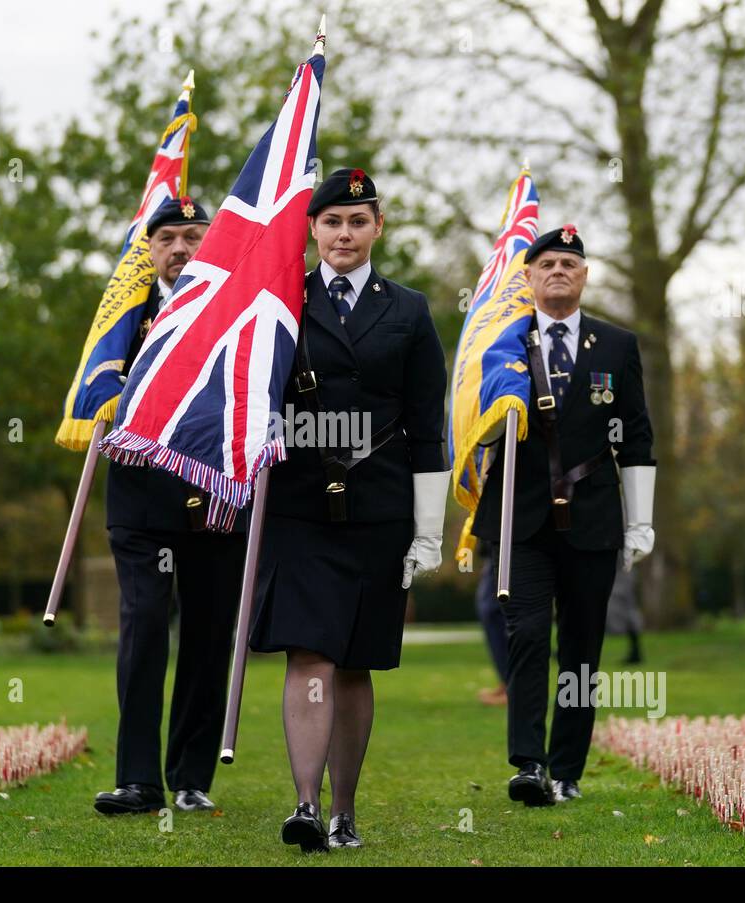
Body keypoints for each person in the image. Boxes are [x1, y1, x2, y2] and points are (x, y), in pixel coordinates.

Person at [247, 168, 450, 851]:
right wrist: (260, 430)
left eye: (358, 222)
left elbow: (429, 427)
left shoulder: (409, 311)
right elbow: (246, 389)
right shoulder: (280, 300)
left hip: (380, 507)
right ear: (313, 229)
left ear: (378, 229)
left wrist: (428, 531)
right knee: (310, 653)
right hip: (300, 506)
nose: (344, 234)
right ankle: (304, 806)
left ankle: (343, 811)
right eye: (332, 222)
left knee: (356, 661)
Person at [472, 224, 656, 806]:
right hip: (521, 520)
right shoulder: (501, 345)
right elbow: (473, 426)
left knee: (581, 647)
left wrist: (641, 520)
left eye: (568, 264)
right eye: (545, 263)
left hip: (594, 519)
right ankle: (528, 764)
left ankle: (567, 768)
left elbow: (638, 438)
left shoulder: (617, 346)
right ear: (527, 277)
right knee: (526, 635)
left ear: (585, 275)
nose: (557, 271)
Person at [93, 196, 248, 816]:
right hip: (141, 500)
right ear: (150, 250)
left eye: (193, 235)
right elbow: (96, 383)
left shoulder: (239, 312)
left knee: (209, 634)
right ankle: (137, 779)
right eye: (168, 239)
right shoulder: (124, 319)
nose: (181, 248)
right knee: (145, 625)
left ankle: (190, 777)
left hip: (213, 494)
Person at [475, 540, 509, 706]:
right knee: (491, 610)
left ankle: (512, 685)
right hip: (495, 545)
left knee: (492, 609)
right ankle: (508, 682)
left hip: (507, 543)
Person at [606, 551, 645, 664]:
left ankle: (636, 653)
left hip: (623, 569)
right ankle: (636, 653)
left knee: (628, 610)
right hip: (621, 568)